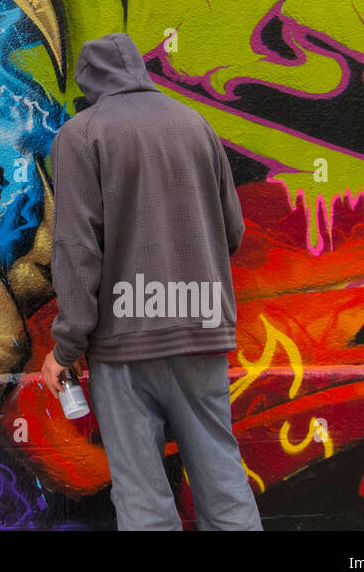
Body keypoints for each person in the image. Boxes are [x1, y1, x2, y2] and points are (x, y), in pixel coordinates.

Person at [41, 32, 262, 531]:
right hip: (201, 332)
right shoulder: (196, 124)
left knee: (143, 501)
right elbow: (232, 231)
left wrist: (66, 347)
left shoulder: (82, 134)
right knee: (224, 484)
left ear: (89, 82)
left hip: (124, 346)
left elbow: (77, 251)